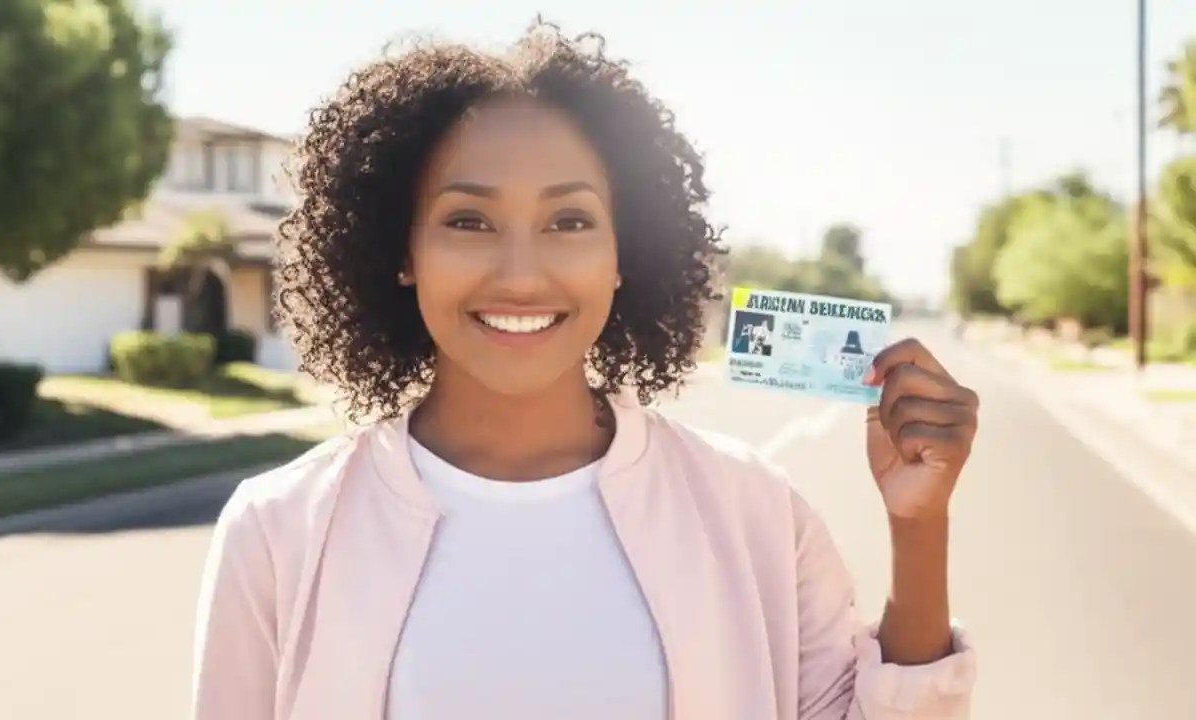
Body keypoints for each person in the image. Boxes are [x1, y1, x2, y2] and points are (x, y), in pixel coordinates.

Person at [192, 21, 979, 720]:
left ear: (621, 254)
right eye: (468, 220)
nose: (522, 274)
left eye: (569, 221)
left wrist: (919, 528)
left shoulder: (755, 515)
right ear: (402, 252)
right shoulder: (279, 530)